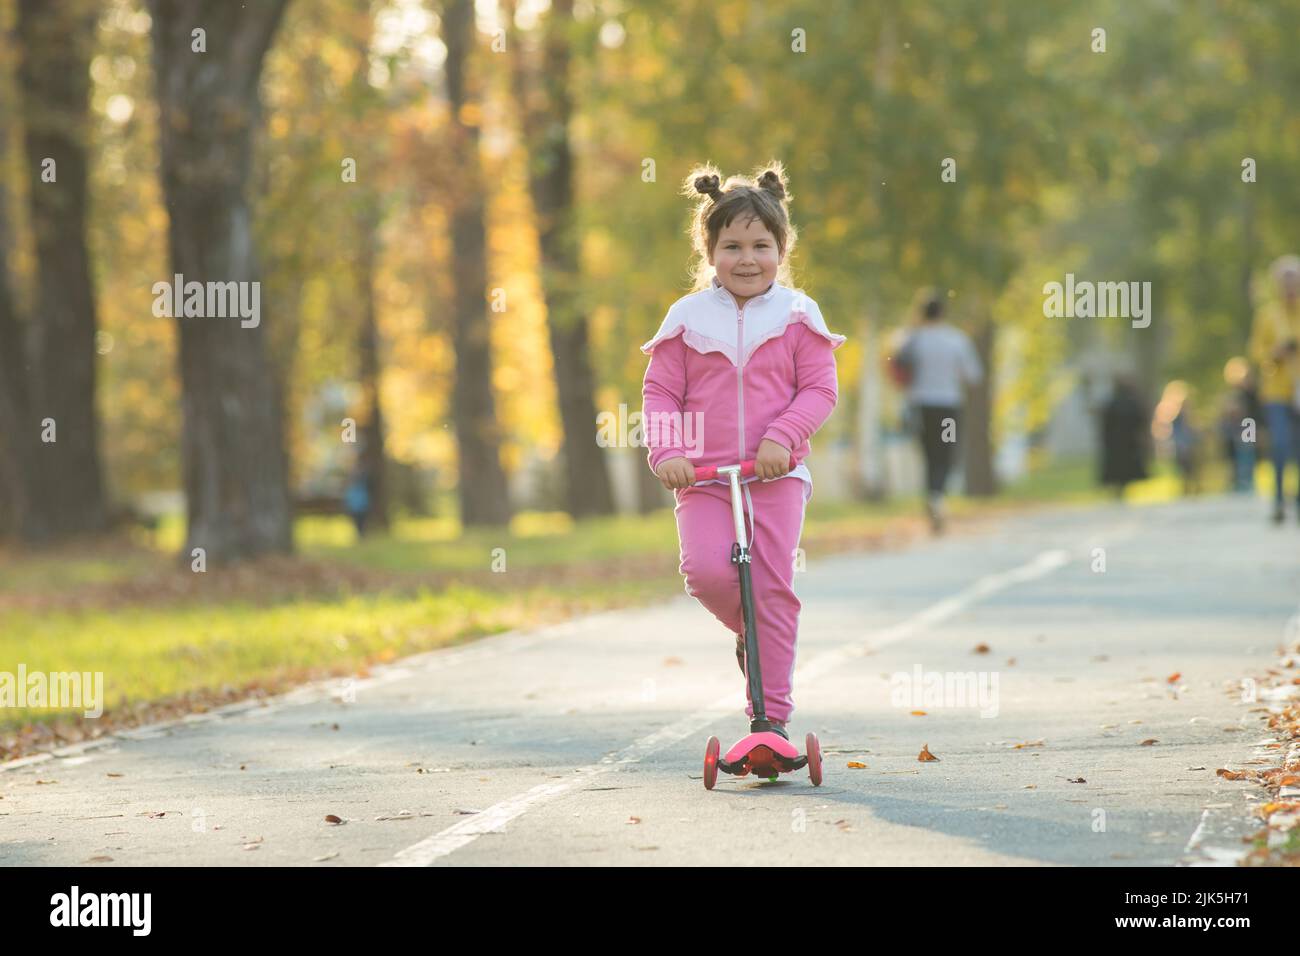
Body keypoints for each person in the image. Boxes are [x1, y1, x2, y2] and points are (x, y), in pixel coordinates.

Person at [640, 162, 845, 742]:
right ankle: (752, 631)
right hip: (703, 476)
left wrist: (783, 436)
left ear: (782, 249)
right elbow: (661, 392)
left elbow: (819, 389)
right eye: (732, 245)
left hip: (773, 475)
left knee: (771, 587)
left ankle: (771, 720)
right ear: (709, 250)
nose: (747, 258)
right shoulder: (686, 319)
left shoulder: (798, 315)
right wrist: (668, 451)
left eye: (761, 244)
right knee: (707, 574)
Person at [894, 290, 983, 532]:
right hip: (948, 407)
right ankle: (937, 497)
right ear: (943, 313)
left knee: (928, 454)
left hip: (920, 406)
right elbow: (973, 375)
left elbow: (896, 366)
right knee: (945, 454)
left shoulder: (913, 339)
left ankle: (933, 497)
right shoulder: (956, 340)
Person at [1248, 254, 1300, 524]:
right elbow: (1257, 353)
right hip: (1277, 392)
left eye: (1294, 281)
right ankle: (1279, 498)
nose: (1290, 287)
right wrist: (1276, 353)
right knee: (1280, 444)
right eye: (1285, 282)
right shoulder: (1268, 315)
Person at [1099, 375, 1149, 499]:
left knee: (1119, 468)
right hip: (1127, 441)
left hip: (1118, 442)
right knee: (1124, 467)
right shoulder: (1132, 402)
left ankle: (1120, 490)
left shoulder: (1113, 403)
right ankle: (1121, 489)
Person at [343, 465, 372, 537]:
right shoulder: (354, 487)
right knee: (359, 522)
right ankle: (360, 534)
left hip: (359, 506)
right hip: (357, 506)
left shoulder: (360, 485)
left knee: (360, 522)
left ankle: (361, 534)